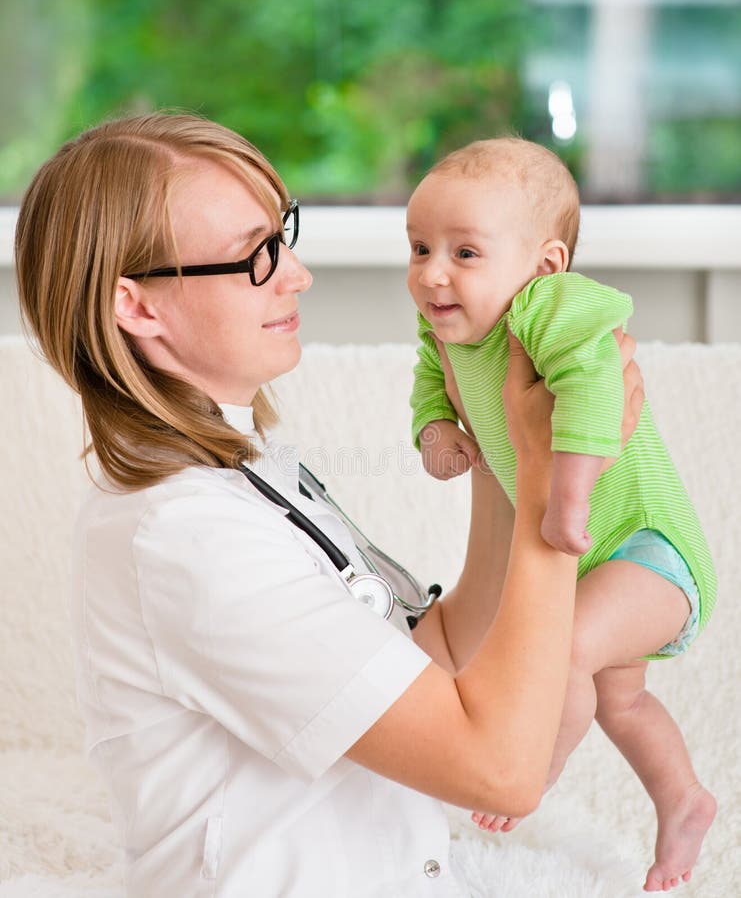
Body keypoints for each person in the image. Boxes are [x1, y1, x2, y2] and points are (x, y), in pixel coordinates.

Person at [15, 113, 642, 898]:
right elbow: (500, 771)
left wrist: (501, 442)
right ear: (137, 307)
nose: (295, 273)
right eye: (254, 255)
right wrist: (557, 503)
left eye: (283, 233)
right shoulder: (187, 538)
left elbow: (435, 657)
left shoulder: (254, 469)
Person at [407, 137, 717, 892]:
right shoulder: (446, 328)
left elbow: (593, 389)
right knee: (622, 698)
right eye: (418, 247)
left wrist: (566, 496)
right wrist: (435, 433)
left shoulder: (553, 307)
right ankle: (683, 801)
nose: (431, 273)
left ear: (542, 264)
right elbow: (430, 387)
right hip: (595, 562)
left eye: (464, 252)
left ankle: (529, 768)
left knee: (564, 652)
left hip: (649, 551)